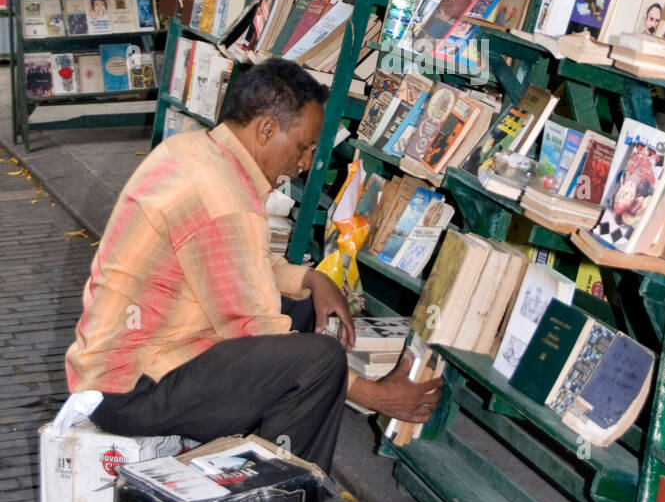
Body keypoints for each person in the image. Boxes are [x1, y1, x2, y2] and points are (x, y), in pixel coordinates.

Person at [66, 59, 442, 476]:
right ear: (266, 130)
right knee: (319, 363)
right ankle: (282, 493)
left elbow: (243, 264)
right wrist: (372, 395)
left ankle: (259, 463)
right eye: (302, 147)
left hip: (130, 358)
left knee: (302, 311)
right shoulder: (224, 199)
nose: (306, 162)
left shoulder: (193, 149)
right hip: (130, 389)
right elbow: (253, 328)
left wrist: (311, 278)